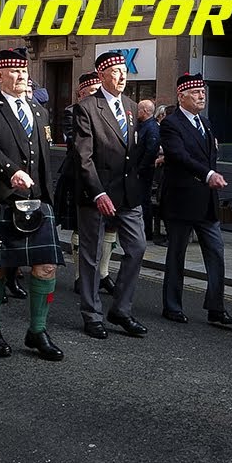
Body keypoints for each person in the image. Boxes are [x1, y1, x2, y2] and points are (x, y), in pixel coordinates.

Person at [0, 49, 65, 360]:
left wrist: (49, 196)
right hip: (2, 197)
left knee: (46, 266)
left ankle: (38, 330)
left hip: (37, 200)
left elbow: (44, 157)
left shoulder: (39, 111)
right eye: (14, 71)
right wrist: (11, 172)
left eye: (24, 71)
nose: (22, 76)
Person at [72, 51, 149, 339]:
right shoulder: (87, 107)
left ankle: (121, 309)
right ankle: (92, 314)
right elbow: (83, 157)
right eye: (115, 71)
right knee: (91, 256)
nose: (122, 76)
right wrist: (98, 193)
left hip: (127, 193)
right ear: (101, 75)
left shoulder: (131, 106)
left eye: (124, 71)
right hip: (97, 193)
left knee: (137, 247)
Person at [159, 73, 232, 326]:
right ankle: (172, 306)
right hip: (181, 200)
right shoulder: (171, 124)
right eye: (195, 93)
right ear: (181, 97)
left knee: (216, 252)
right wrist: (209, 174)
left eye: (203, 92)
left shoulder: (206, 123)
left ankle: (216, 307)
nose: (202, 96)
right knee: (177, 255)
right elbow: (179, 156)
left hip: (207, 201)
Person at [56, 73, 117, 293]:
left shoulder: (111, 111)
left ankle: (104, 274)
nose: (96, 95)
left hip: (108, 177)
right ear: (80, 94)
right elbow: (78, 144)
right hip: (79, 176)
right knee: (80, 226)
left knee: (110, 226)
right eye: (91, 91)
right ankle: (80, 276)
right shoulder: (72, 112)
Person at [135, 99, 160, 242]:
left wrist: (141, 168)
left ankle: (146, 231)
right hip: (140, 169)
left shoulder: (151, 127)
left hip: (145, 172)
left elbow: (151, 150)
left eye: (138, 109)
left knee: (144, 200)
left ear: (144, 111)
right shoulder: (142, 126)